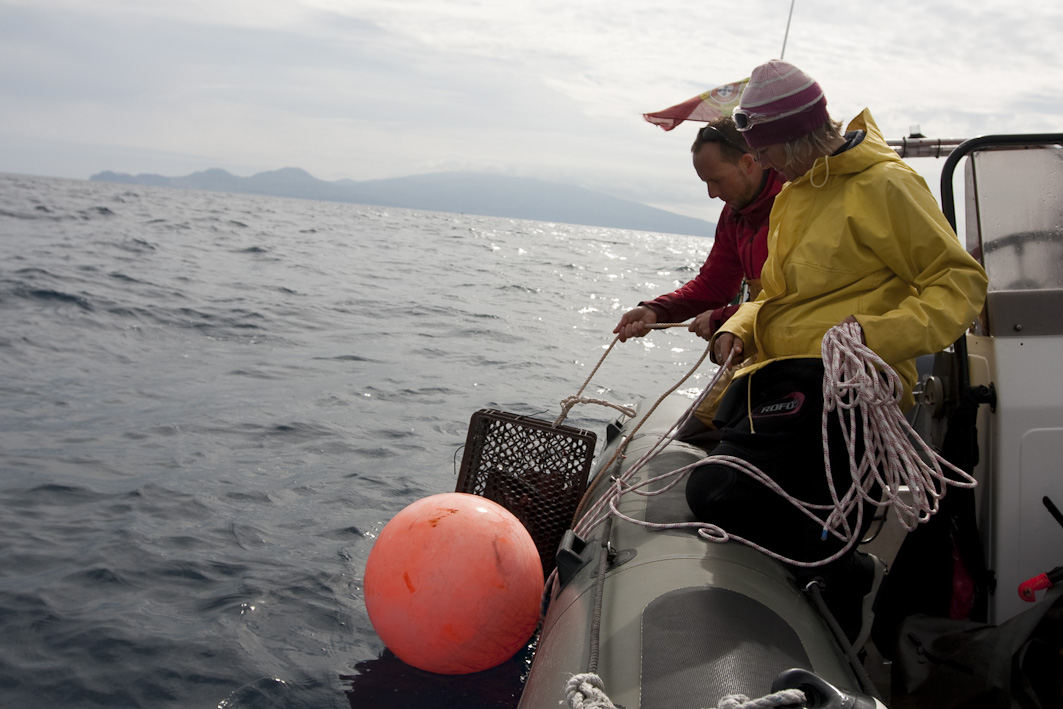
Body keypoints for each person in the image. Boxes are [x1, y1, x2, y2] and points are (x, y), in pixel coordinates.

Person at [685, 59, 989, 645]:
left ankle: (844, 568)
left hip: (845, 379)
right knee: (728, 486)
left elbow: (959, 284)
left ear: (797, 139)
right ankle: (828, 575)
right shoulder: (798, 192)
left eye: (766, 150)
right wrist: (743, 326)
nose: (763, 163)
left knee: (717, 491)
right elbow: (776, 290)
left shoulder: (887, 185)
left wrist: (869, 339)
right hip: (780, 373)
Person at [613, 116, 785, 439]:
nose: (711, 193)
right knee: (689, 433)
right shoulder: (735, 214)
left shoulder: (793, 204)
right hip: (753, 342)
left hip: (795, 354)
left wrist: (723, 319)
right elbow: (714, 285)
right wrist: (655, 311)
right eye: (706, 182)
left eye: (717, 181)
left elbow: (796, 298)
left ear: (749, 163)